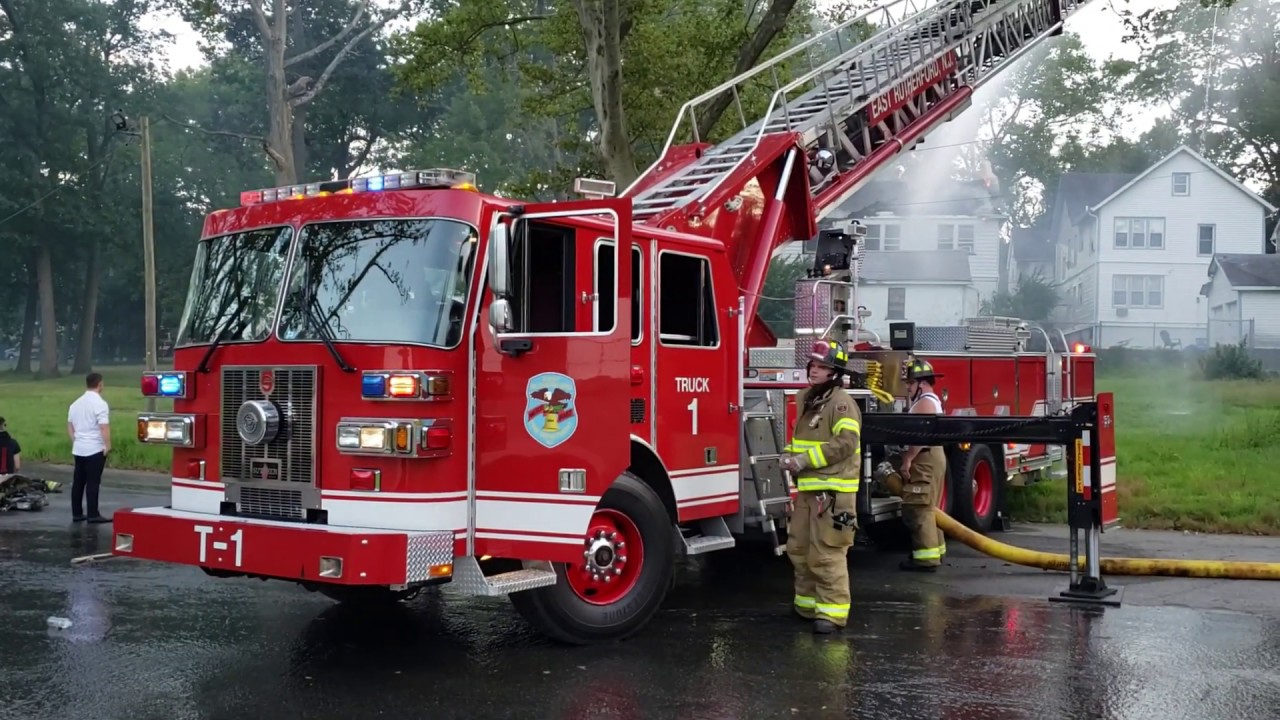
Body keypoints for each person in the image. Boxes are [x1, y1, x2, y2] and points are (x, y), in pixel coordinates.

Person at [779, 338, 863, 634]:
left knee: (827, 553)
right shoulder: (809, 400)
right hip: (808, 492)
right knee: (799, 549)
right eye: (813, 364)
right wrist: (790, 456)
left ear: (835, 373)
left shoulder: (841, 404)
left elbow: (845, 444)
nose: (814, 370)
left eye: (822, 366)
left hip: (833, 494)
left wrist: (804, 461)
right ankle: (808, 605)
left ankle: (831, 613)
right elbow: (801, 441)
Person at [896, 358, 947, 572]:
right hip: (930, 457)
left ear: (922, 383)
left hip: (925, 457)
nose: (908, 387)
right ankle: (936, 550)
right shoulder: (929, 399)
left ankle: (926, 558)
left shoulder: (925, 401)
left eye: (910, 383)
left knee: (919, 508)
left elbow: (922, 434)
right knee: (928, 507)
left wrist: (908, 458)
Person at [67, 372, 111, 523]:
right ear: (99, 384)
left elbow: (70, 426)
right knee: (93, 482)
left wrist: (76, 440)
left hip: (79, 447)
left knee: (78, 481)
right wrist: (107, 445)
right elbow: (103, 427)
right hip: (94, 448)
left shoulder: (75, 404)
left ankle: (77, 512)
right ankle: (93, 513)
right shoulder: (100, 404)